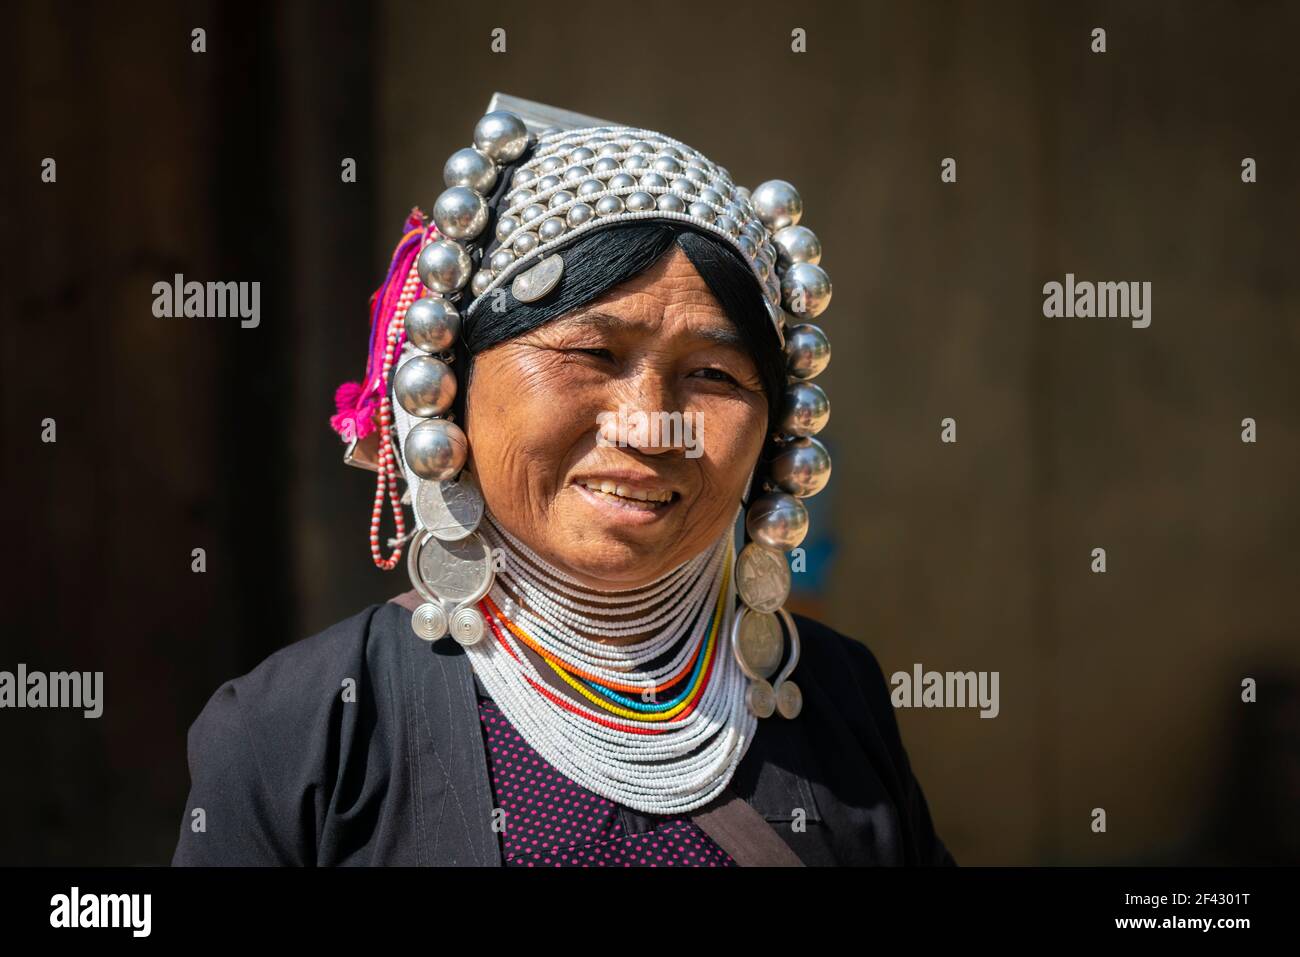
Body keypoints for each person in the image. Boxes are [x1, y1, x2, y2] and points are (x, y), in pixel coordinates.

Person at [172, 103, 954, 867]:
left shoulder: (833, 695)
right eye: (591, 355)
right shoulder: (307, 729)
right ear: (452, 383)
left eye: (712, 375)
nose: (650, 427)